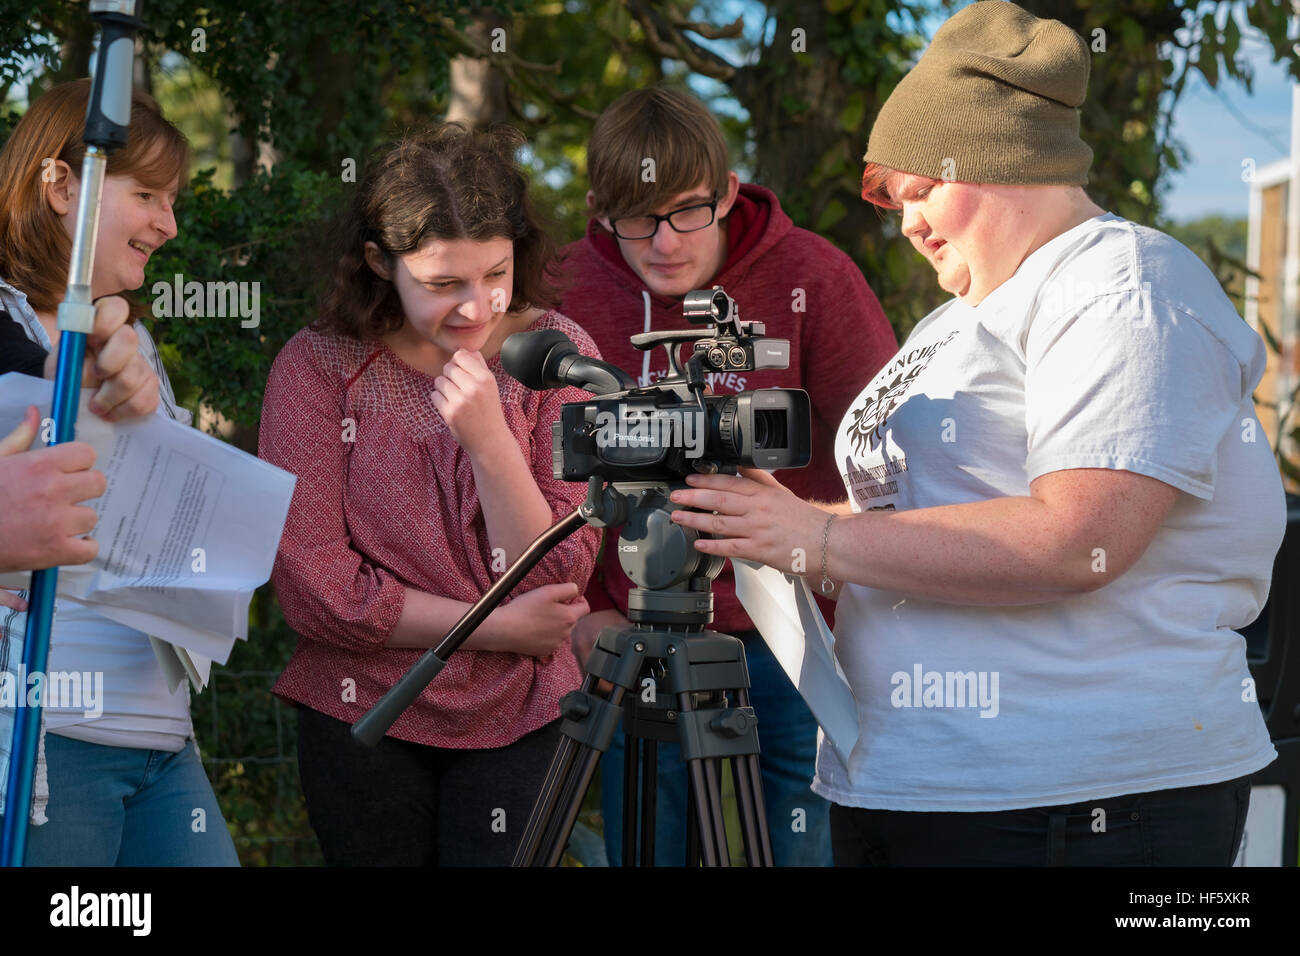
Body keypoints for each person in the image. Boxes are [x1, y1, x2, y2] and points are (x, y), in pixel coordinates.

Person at [667, 0, 1285, 866]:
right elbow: (923, 516)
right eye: (894, 201)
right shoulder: (958, 316)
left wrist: (817, 537)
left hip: (1075, 799)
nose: (907, 223)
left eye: (922, 191)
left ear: (1005, 160)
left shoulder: (1124, 285)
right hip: (912, 780)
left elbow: (1078, 538)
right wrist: (774, 524)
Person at [556, 85, 898, 866]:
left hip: (795, 638)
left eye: (688, 212)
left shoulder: (814, 275)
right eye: (637, 218)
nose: (664, 242)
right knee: (653, 845)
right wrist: (583, 611)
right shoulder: (565, 288)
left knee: (801, 850)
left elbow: (891, 460)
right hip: (634, 635)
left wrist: (822, 547)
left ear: (729, 193)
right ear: (598, 211)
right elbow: (532, 465)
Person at [259, 124, 602, 867]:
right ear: (380, 263)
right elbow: (317, 591)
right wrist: (500, 630)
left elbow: (556, 573)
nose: (476, 308)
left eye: (495, 274)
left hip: (523, 714)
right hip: (360, 708)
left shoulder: (557, 355)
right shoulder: (319, 366)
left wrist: (490, 441)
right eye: (443, 284)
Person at [0, 79, 239, 865]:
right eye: (147, 196)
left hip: (162, 738)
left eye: (172, 201)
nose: (169, 224)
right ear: (61, 186)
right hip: (48, 738)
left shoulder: (136, 341)